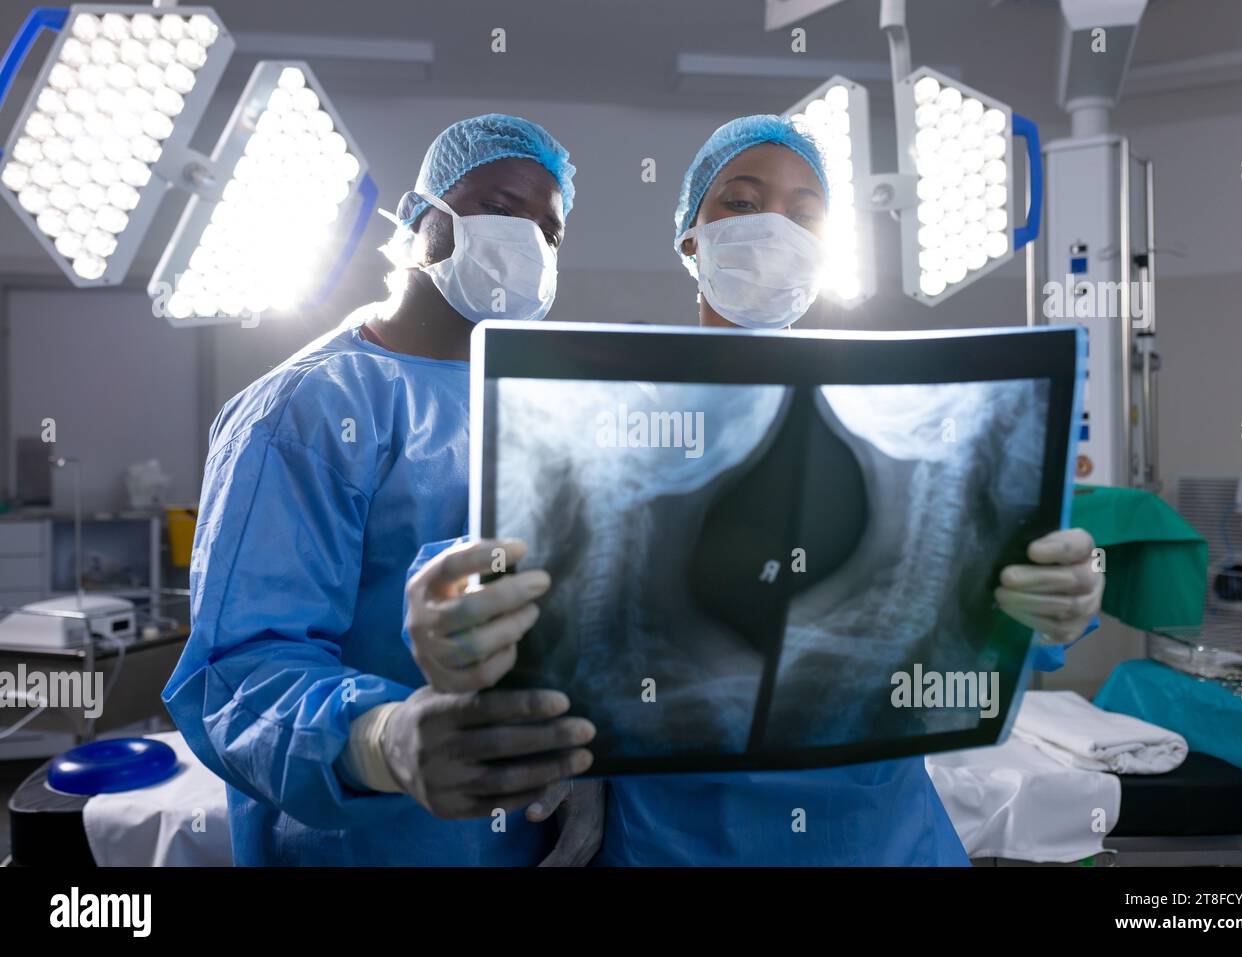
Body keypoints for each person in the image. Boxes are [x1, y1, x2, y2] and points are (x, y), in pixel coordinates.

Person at [581, 115, 1104, 866]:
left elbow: (1000, 608)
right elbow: (515, 554)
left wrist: (1060, 604)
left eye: (805, 213)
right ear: (689, 238)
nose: (774, 228)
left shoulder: (910, 418)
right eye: (740, 202)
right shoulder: (613, 410)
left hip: (881, 838)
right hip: (676, 839)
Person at [163, 114, 603, 866]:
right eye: (500, 206)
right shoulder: (303, 410)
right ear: (418, 215)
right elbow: (238, 675)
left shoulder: (541, 406)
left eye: (550, 230)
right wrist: (380, 741)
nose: (528, 239)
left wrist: (594, 752)